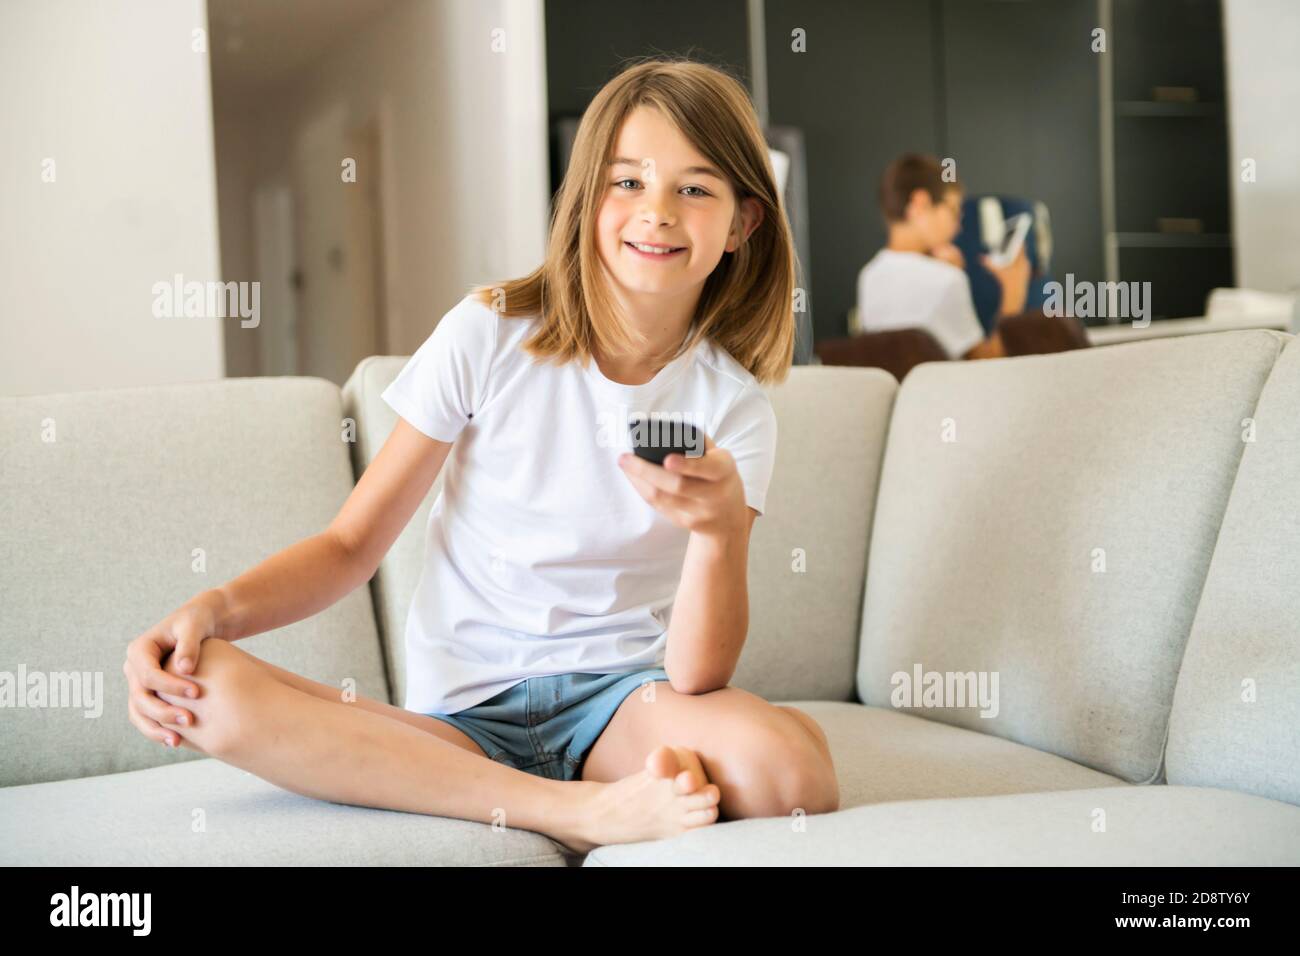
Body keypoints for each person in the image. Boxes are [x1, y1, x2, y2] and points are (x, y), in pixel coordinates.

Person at [122, 59, 839, 856]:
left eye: (695, 189)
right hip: (458, 716)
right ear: (584, 199)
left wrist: (719, 537)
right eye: (627, 182)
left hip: (620, 706)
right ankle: (569, 811)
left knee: (791, 777)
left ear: (742, 224)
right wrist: (214, 609)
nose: (657, 213)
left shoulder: (735, 407)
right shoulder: (490, 331)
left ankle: (568, 791)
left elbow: (698, 675)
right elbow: (349, 548)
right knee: (207, 689)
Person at [855, 153, 1030, 359]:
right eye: (954, 210)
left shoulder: (868, 276)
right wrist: (1013, 295)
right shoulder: (947, 280)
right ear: (920, 203)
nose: (957, 227)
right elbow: (987, 364)